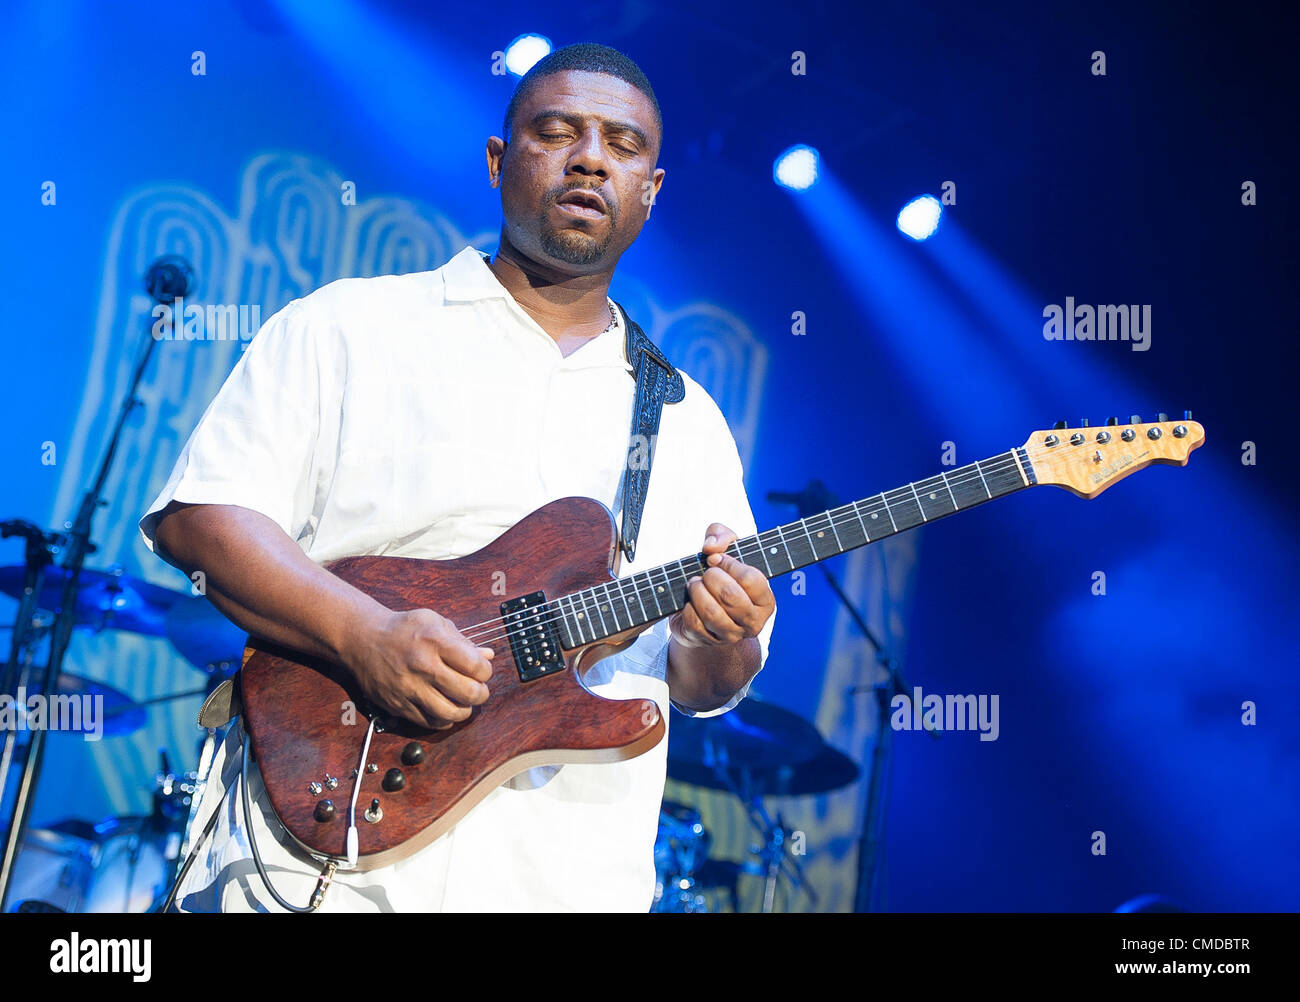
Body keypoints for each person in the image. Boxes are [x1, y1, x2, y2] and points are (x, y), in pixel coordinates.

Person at [141, 42, 776, 912]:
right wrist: (363, 635)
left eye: (622, 147)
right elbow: (203, 520)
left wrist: (724, 634)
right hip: (311, 870)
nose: (591, 158)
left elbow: (704, 682)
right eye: (558, 132)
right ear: (497, 160)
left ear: (651, 191)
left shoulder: (688, 420)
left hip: (558, 883)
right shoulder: (352, 327)